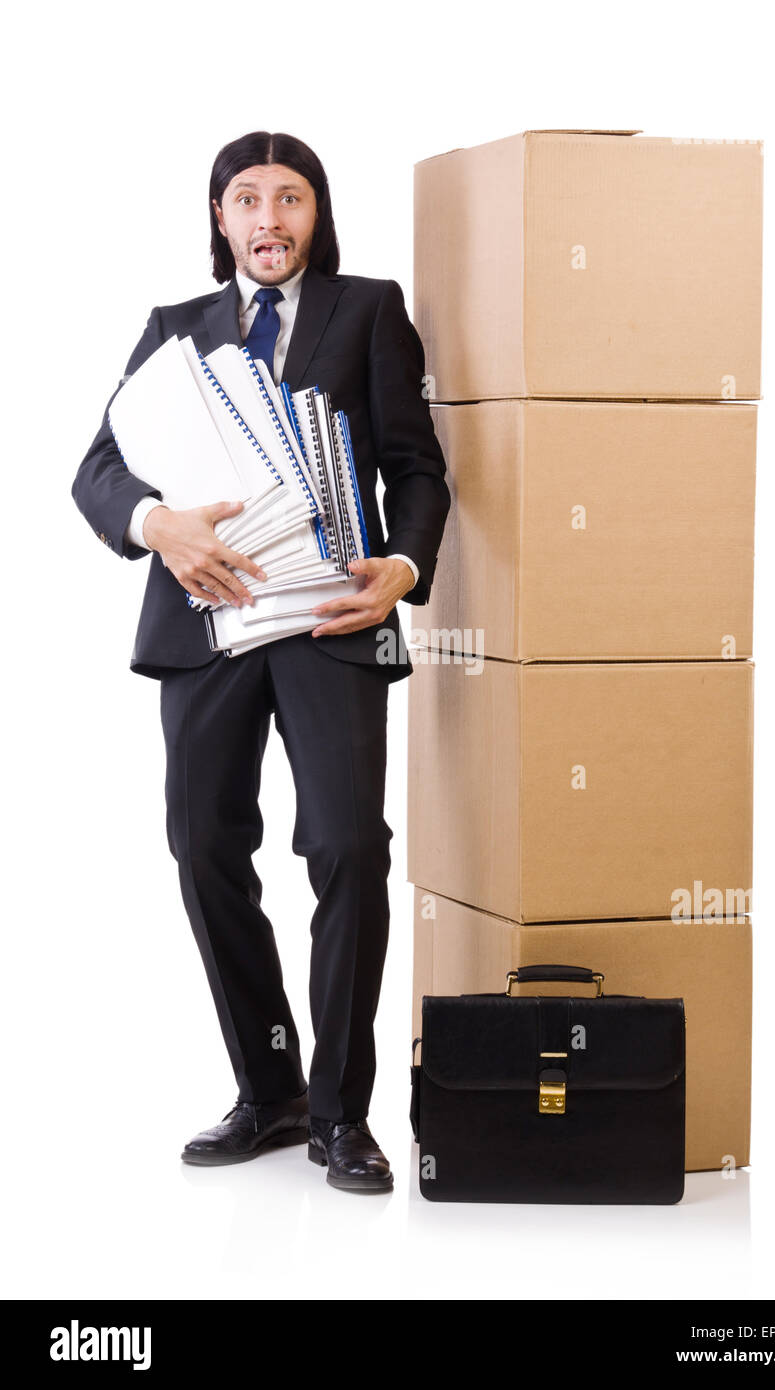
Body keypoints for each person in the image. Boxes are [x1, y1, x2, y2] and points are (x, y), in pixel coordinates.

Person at [71, 130, 450, 1194]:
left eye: (292, 198)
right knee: (203, 850)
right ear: (220, 217)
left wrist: (407, 567)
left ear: (317, 216)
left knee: (347, 851)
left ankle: (342, 1113)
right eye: (249, 199)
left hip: (331, 619)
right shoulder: (172, 330)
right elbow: (98, 468)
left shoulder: (367, 310)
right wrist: (159, 525)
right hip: (206, 626)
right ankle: (272, 1085)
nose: (270, 219)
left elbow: (419, 467)